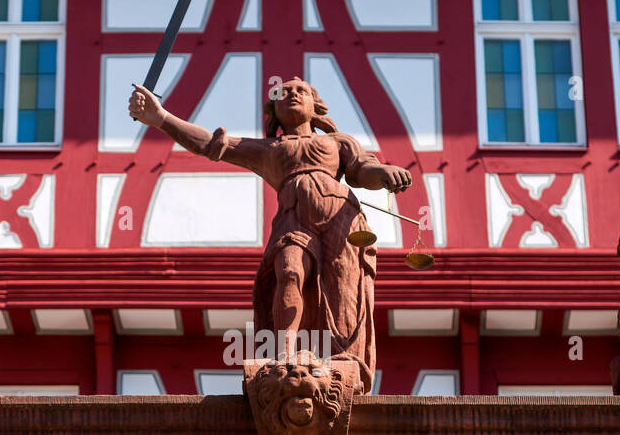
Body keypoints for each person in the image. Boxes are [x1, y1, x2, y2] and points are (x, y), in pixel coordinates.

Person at [128, 77, 411, 393]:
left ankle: (342, 364)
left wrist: (384, 174)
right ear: (274, 109)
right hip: (292, 219)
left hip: (341, 220)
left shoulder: (337, 142)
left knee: (341, 289)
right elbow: (210, 144)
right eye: (283, 91)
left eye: (300, 90)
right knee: (288, 271)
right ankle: (283, 357)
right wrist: (161, 118)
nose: (291, 93)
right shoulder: (269, 150)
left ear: (315, 106)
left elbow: (361, 171)